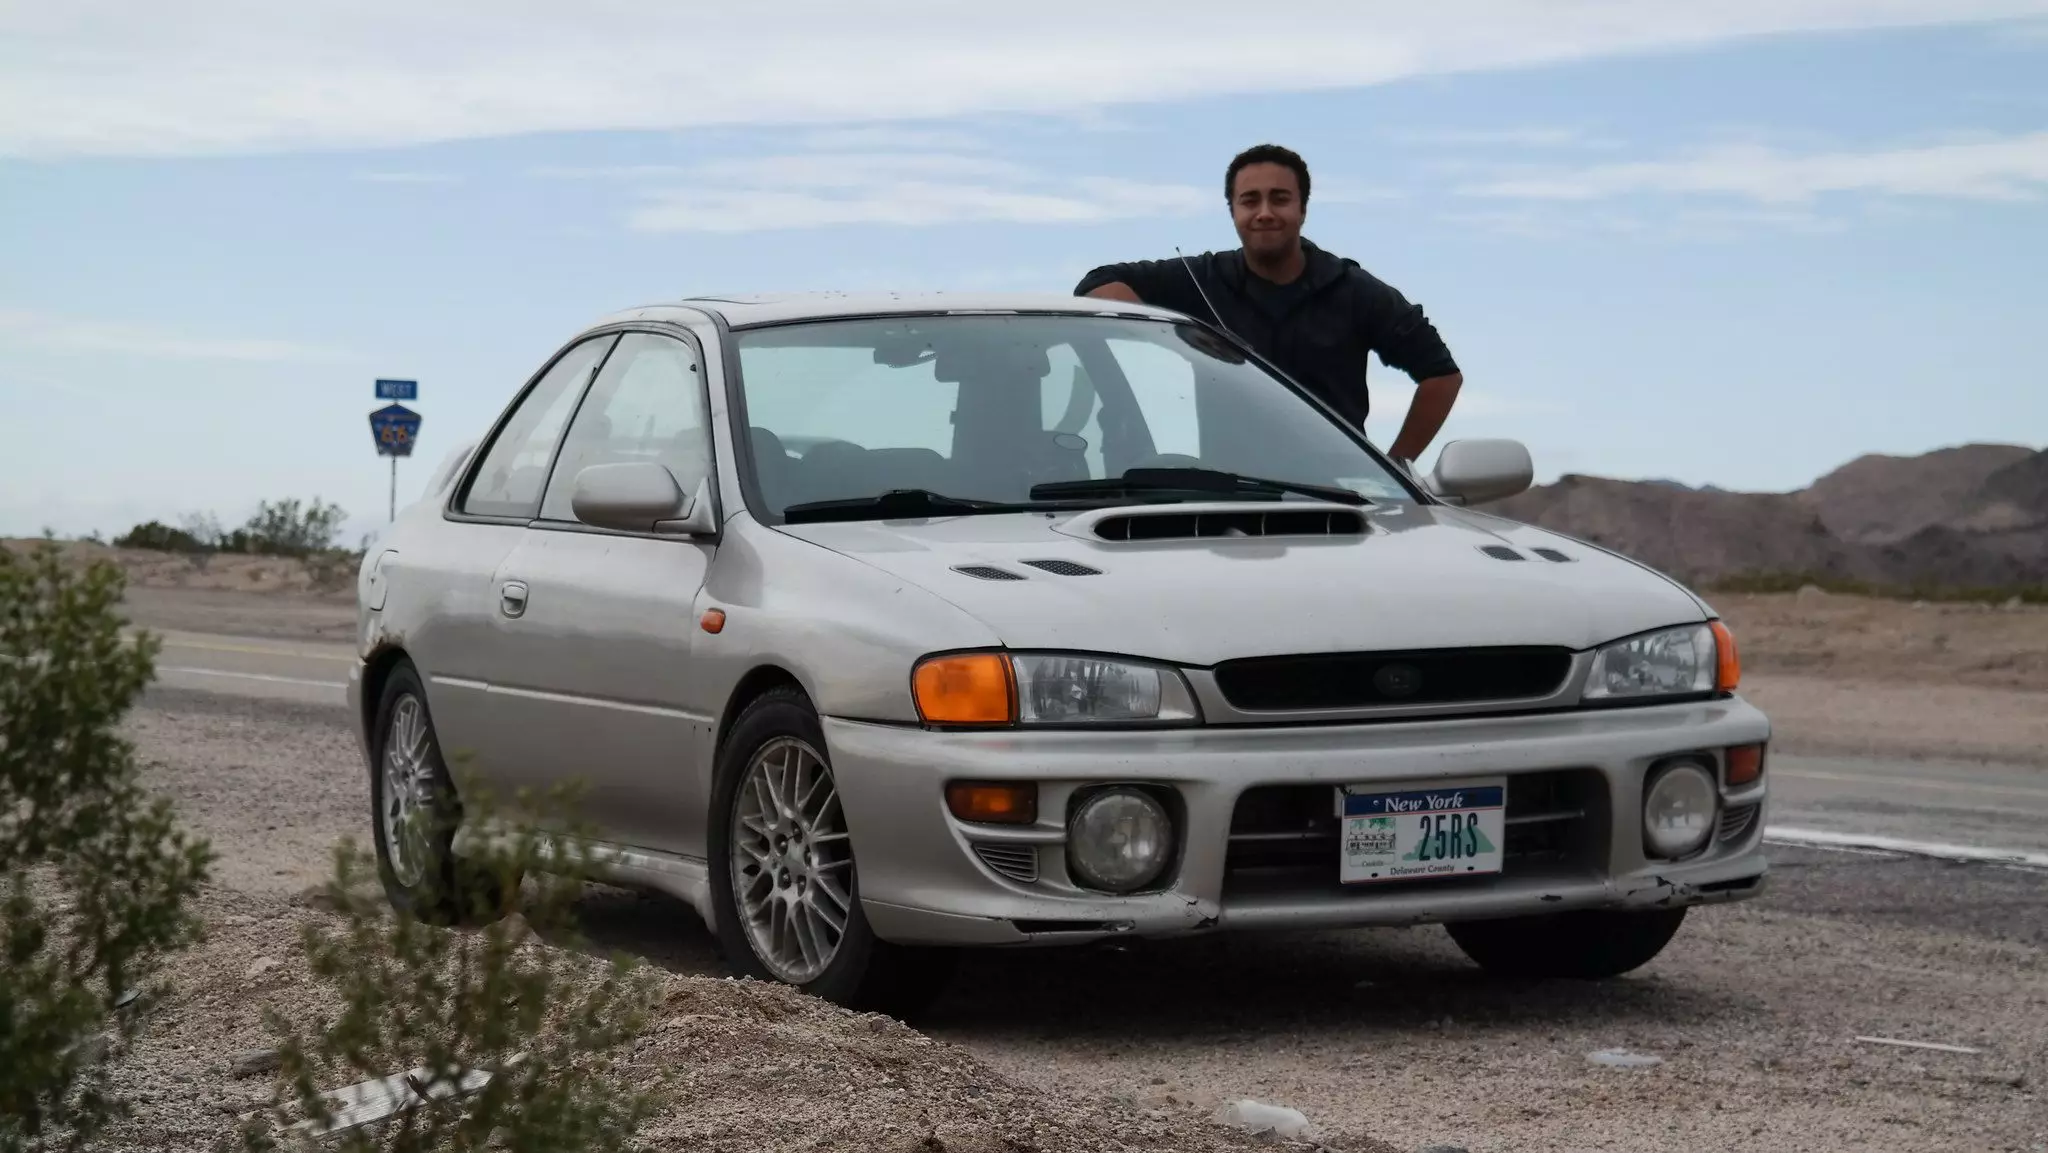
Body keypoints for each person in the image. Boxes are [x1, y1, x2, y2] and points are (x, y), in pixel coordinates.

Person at [1073, 143, 1464, 468]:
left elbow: (1442, 375)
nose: (1264, 212)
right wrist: (1173, 340)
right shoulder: (1200, 278)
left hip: (1338, 499)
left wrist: (1396, 466)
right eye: (1249, 200)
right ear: (1233, 211)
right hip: (1224, 494)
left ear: (1302, 209)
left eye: (1280, 199)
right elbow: (1097, 283)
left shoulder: (1356, 291)